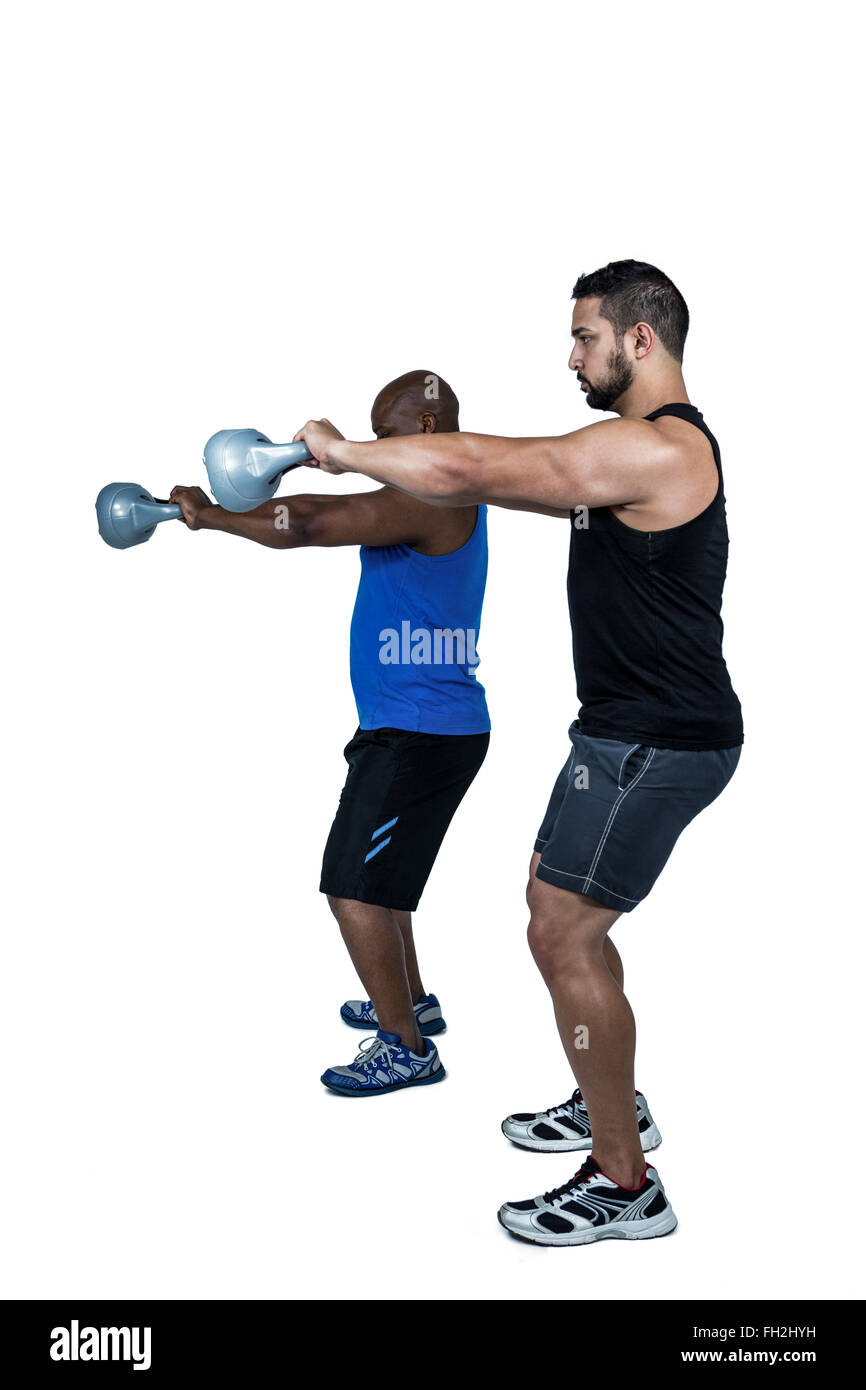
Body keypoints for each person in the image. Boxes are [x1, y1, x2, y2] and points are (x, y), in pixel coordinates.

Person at [293, 261, 743, 1244]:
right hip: (618, 733)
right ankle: (607, 1099)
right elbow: (473, 475)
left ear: (640, 339)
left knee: (560, 933)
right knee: (551, 898)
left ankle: (624, 1182)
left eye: (585, 336)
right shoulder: (627, 449)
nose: (570, 354)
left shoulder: (659, 450)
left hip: (655, 742)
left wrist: (344, 450)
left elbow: (466, 471)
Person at [170, 370, 490, 1097]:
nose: (378, 450)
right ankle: (410, 1001)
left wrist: (213, 516)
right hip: (416, 728)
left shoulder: (433, 493)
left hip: (419, 735)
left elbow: (310, 523)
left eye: (388, 437)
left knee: (351, 887)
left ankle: (404, 1047)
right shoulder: (431, 492)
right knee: (388, 887)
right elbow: (333, 506)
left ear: (430, 430)